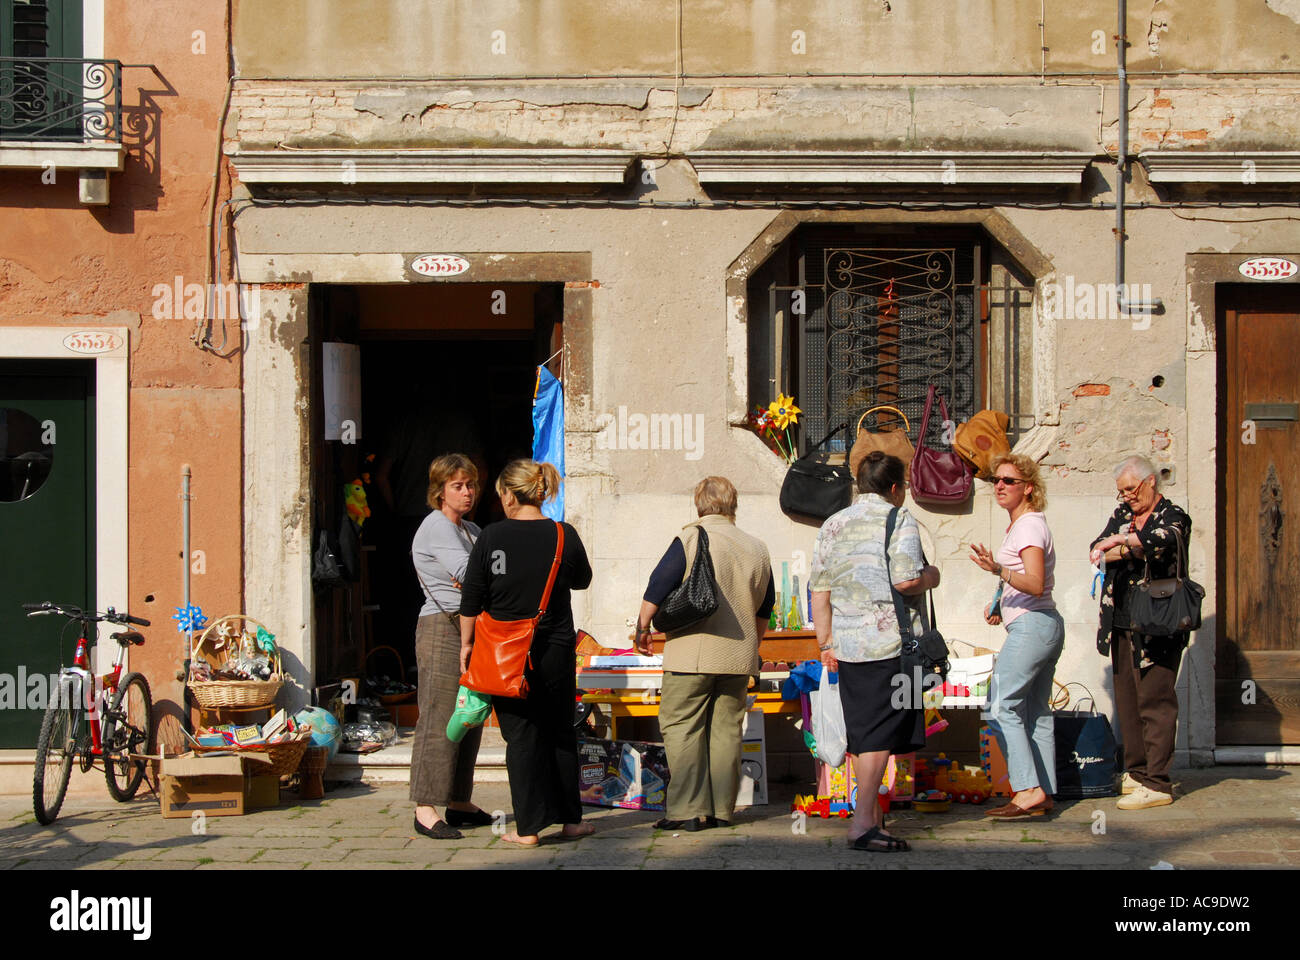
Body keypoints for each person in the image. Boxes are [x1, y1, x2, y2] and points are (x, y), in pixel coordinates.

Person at [458, 459, 593, 846]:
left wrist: (467, 646)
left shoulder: (490, 536)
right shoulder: (563, 534)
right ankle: (571, 821)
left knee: (520, 738)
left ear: (507, 495)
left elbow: (472, 597)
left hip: (504, 653)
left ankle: (528, 828)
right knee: (561, 732)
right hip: (555, 650)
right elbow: (582, 580)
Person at [810, 451, 940, 852]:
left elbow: (819, 589)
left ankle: (871, 819)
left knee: (865, 733)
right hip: (889, 646)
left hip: (849, 645)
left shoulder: (833, 523)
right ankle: (863, 821)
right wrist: (932, 575)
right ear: (897, 488)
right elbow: (906, 580)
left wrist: (826, 643)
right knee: (881, 734)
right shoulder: (898, 518)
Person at [634, 476, 775, 832]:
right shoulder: (757, 547)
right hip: (738, 658)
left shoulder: (692, 537)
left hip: (691, 655)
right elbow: (765, 609)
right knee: (727, 732)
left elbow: (657, 585)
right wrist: (752, 649)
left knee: (682, 727)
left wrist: (642, 630)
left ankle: (685, 811)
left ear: (698, 504)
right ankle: (721, 811)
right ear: (734, 504)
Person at [1089, 455, 1192, 810]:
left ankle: (1158, 782)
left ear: (1150, 482)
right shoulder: (1122, 516)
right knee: (1129, 700)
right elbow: (1096, 549)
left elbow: (1159, 540)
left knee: (1156, 701)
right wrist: (1122, 544)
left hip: (1158, 624)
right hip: (1120, 620)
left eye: (1131, 489)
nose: (1127, 497)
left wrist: (1120, 545)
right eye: (1122, 492)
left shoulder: (1174, 515)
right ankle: (1135, 773)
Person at [969, 453, 1065, 820]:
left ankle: (1026, 789)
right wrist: (999, 601)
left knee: (999, 706)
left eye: (1009, 480)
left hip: (1033, 625)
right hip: (1041, 624)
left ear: (1028, 487)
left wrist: (998, 570)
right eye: (996, 480)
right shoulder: (1023, 525)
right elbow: (1025, 581)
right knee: (1035, 712)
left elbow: (1035, 583)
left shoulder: (1027, 526)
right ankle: (1043, 792)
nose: (1000, 486)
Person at [408, 454, 494, 840]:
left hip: (471, 627)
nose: (467, 492)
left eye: (471, 485)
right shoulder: (436, 526)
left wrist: (478, 579)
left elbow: (483, 572)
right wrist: (477, 578)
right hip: (441, 627)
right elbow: (468, 574)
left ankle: (458, 802)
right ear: (440, 491)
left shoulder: (472, 530)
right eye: (458, 485)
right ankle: (425, 808)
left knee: (469, 714)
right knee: (439, 715)